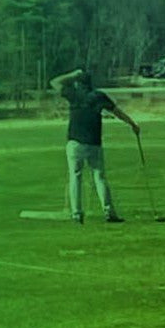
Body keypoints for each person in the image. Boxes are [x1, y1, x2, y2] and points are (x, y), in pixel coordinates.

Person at [49, 67, 140, 224]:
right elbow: (117, 112)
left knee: (75, 177)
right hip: (93, 143)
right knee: (100, 178)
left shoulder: (73, 94)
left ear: (78, 82)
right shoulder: (98, 96)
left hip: (75, 143)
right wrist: (132, 124)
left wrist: (72, 75)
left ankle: (77, 214)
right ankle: (109, 212)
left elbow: (54, 82)